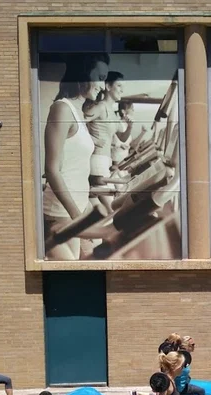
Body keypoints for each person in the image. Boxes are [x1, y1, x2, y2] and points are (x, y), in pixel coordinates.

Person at [43, 52, 111, 260]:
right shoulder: (62, 109)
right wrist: (78, 217)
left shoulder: (80, 113)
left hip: (76, 211)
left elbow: (77, 170)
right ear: (83, 74)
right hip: (60, 214)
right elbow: (52, 170)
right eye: (99, 77)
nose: (102, 85)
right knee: (71, 276)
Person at [125, 337, 211, 395]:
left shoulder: (185, 358)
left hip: (181, 387)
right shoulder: (176, 358)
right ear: (186, 345)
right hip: (173, 389)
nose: (194, 346)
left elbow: (184, 374)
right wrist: (164, 386)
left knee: (200, 391)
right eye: (192, 345)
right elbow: (165, 370)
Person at [84, 71, 132, 188]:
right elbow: (76, 122)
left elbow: (122, 138)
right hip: (97, 159)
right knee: (111, 202)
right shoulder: (101, 107)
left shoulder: (111, 111)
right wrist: (92, 139)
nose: (122, 90)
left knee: (111, 201)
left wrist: (130, 126)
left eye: (123, 87)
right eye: (119, 86)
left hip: (106, 160)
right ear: (108, 86)